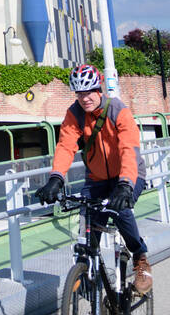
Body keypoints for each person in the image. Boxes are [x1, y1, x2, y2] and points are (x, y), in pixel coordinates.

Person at [36, 63, 153, 294]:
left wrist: (125, 185)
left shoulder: (118, 110)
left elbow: (129, 149)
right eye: (79, 93)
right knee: (87, 225)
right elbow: (66, 145)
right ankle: (88, 277)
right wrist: (56, 178)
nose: (85, 98)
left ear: (98, 89)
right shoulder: (75, 114)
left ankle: (140, 258)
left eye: (89, 91)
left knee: (120, 211)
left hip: (129, 175)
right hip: (97, 178)